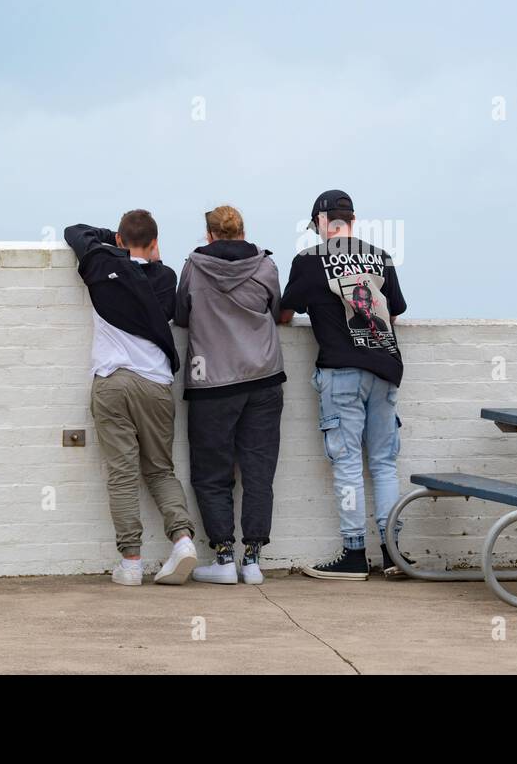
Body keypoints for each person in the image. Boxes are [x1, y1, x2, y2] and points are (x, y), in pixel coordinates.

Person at [278, 190, 408, 580]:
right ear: (351, 220)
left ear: (321, 222)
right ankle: (393, 554)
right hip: (385, 367)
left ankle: (354, 555)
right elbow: (395, 313)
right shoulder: (380, 256)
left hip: (341, 372)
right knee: (384, 463)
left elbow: (284, 314)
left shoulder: (308, 261)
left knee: (348, 462)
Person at [65, 210, 198, 587]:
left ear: (120, 240)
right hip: (155, 384)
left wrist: (116, 241)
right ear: (155, 244)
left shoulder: (100, 264)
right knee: (160, 470)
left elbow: (75, 230)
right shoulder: (166, 276)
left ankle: (132, 563)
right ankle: (183, 540)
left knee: (122, 476)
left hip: (112, 382)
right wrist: (141, 249)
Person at [174, 205, 286, 585]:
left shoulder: (193, 267)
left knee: (210, 474)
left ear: (209, 235)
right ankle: (252, 560)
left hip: (211, 384)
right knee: (259, 472)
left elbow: (181, 315)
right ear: (243, 231)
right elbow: (276, 309)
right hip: (264, 377)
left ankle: (223, 557)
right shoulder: (266, 266)